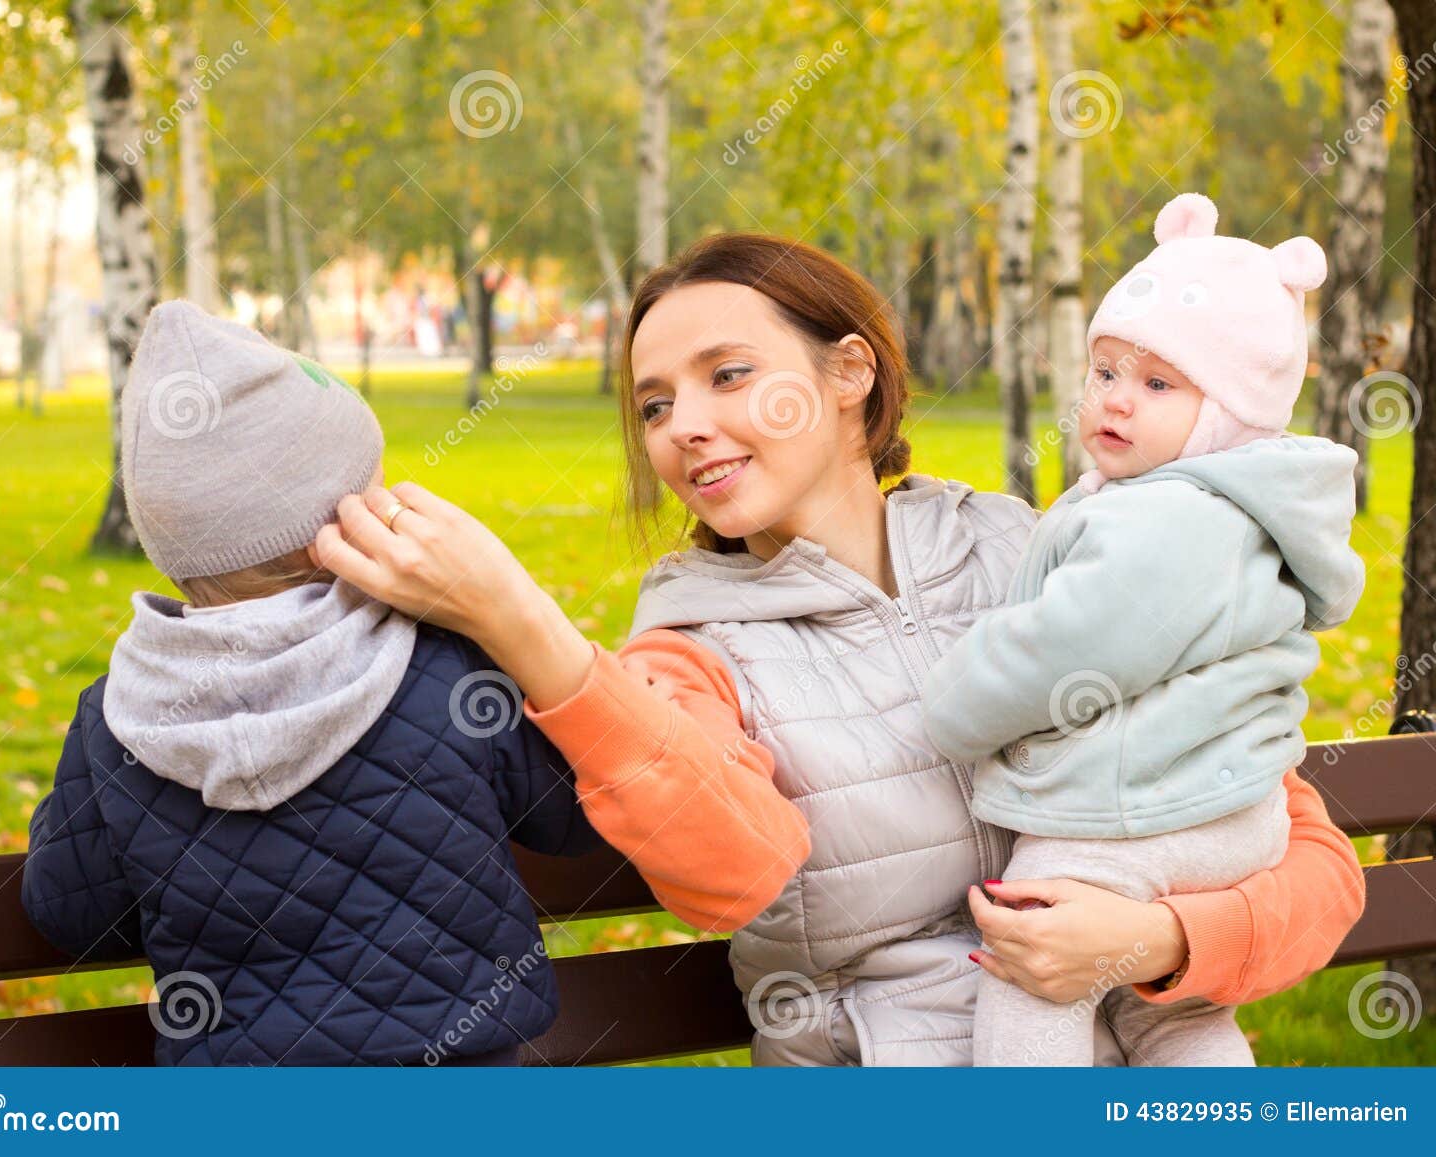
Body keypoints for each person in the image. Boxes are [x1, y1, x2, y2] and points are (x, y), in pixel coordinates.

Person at [310, 232, 1367, 1066]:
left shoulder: (1031, 550)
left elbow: (1309, 861)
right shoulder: (684, 651)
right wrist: (522, 625)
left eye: (727, 374)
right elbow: (728, 874)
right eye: (654, 404)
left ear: (849, 369)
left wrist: (1153, 943)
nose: (683, 425)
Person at [22, 301, 604, 1066]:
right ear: (341, 527)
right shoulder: (441, 658)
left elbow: (72, 910)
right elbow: (571, 818)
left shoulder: (122, 717)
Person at [922, 193, 1364, 1065]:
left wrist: (953, 703)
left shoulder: (1171, 519)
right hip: (1221, 810)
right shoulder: (1208, 501)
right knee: (1172, 1016)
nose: (1116, 401)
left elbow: (1070, 646)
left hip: (1136, 815)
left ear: (1234, 410)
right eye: (1105, 372)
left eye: (1158, 384)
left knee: (1033, 955)